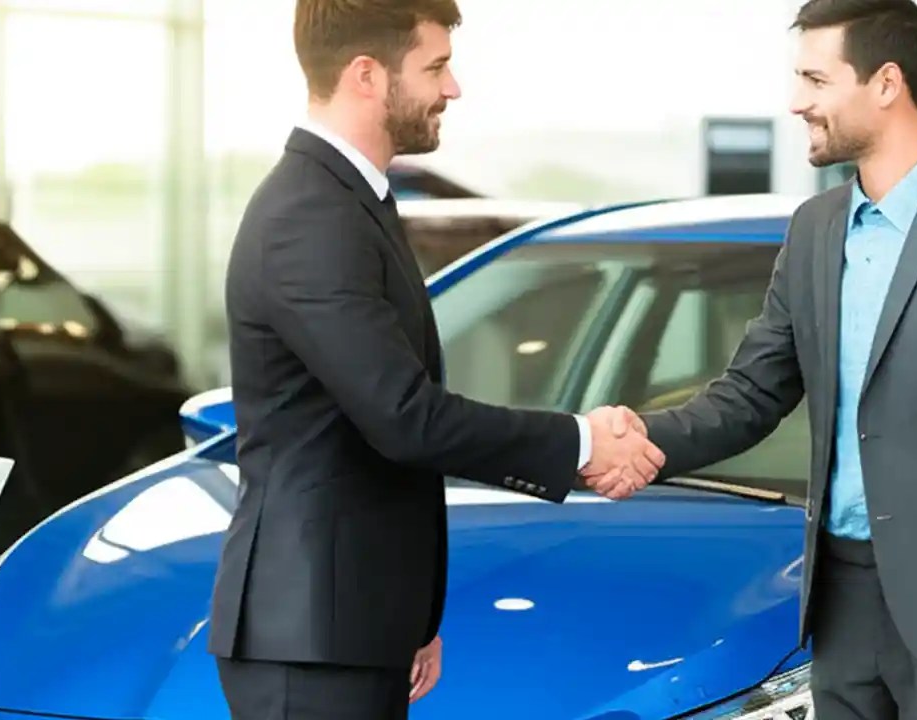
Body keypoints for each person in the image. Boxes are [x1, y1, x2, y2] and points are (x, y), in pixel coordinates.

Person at [592, 1, 917, 718]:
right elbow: (749, 395)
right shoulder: (816, 227)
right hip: (840, 607)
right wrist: (633, 440)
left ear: (886, 83)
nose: (797, 103)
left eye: (815, 80)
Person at [208, 1, 664, 718]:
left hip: (352, 625)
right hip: (310, 640)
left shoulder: (350, 200)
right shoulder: (310, 216)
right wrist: (582, 441)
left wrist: (410, 618)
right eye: (436, 66)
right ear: (366, 75)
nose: (452, 89)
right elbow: (405, 418)